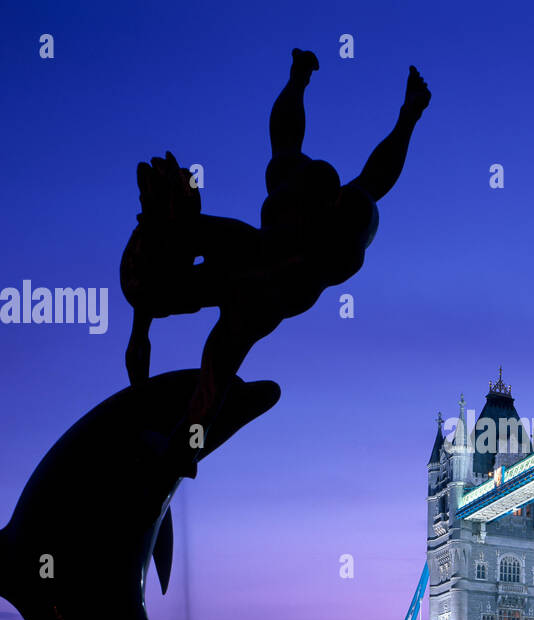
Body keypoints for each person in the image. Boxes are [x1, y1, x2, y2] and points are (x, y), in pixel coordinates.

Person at [120, 48, 431, 476]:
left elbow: (368, 176)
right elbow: (348, 167)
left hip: (260, 284)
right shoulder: (290, 203)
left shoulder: (320, 228)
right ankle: (180, 445)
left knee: (214, 362)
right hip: (253, 274)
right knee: (211, 359)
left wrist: (406, 119)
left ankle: (180, 446)